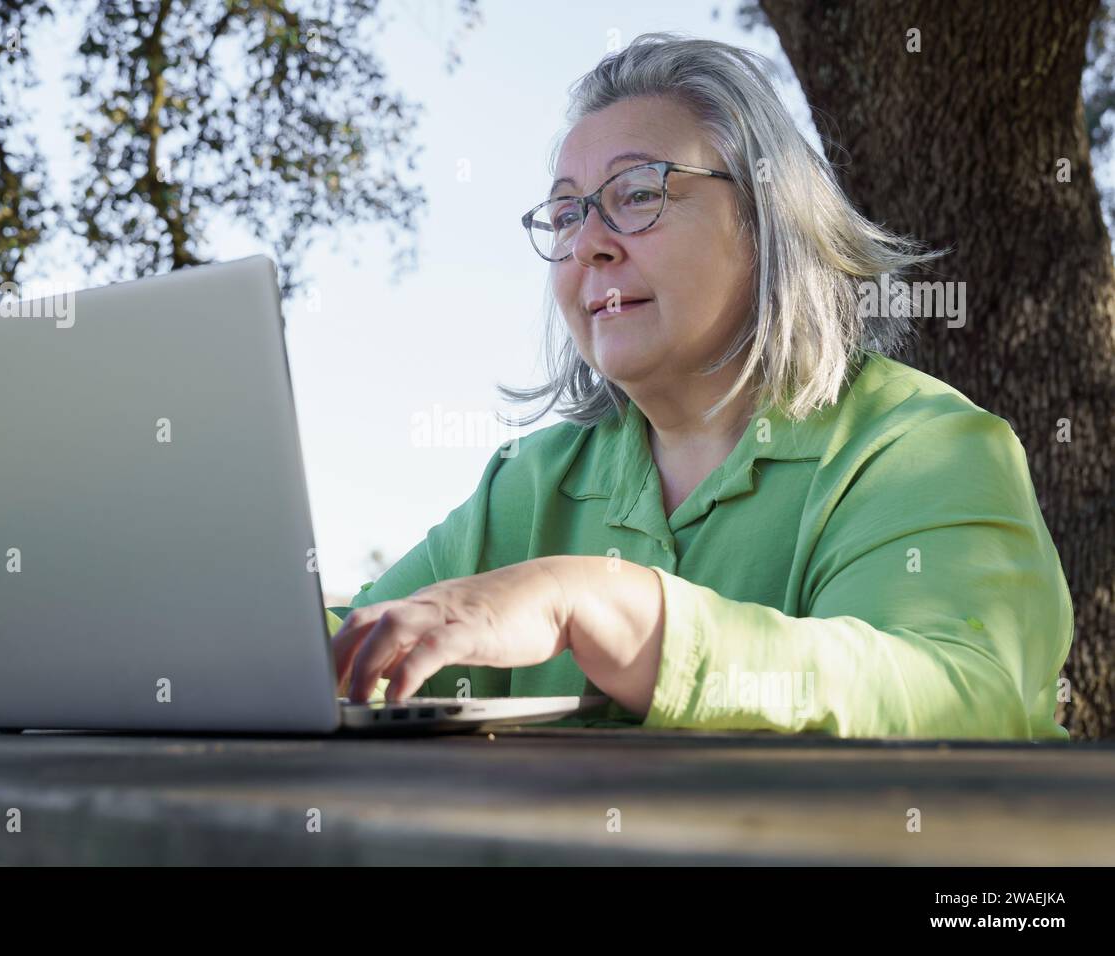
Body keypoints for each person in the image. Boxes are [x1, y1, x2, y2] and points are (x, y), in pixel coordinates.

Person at [327, 33, 1072, 740]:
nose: (589, 243)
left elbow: (956, 693)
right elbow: (350, 651)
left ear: (765, 220)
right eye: (565, 214)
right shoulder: (529, 485)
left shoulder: (926, 449)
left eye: (639, 192)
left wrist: (610, 609)